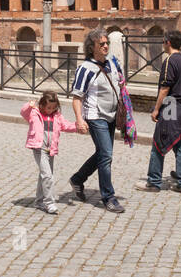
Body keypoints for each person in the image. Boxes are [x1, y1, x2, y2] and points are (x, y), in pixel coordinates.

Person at [69, 28, 126, 213]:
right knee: (106, 156)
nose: (105, 46)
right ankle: (108, 197)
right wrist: (79, 119)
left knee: (103, 154)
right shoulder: (85, 69)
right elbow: (77, 97)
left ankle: (77, 179)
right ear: (91, 47)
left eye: (107, 43)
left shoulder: (112, 62)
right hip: (95, 116)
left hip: (112, 115)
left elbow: (121, 85)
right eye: (101, 44)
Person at [143, 30, 181, 193]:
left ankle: (154, 181)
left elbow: (165, 88)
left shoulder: (169, 61)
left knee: (159, 143)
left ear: (167, 42)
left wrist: (157, 109)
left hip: (170, 105)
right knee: (179, 144)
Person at [21, 91, 79, 215]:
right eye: (48, 107)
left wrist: (78, 126)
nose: (51, 110)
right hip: (39, 148)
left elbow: (66, 125)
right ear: (42, 105)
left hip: (50, 150)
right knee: (47, 176)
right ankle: (49, 203)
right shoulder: (34, 113)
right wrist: (29, 105)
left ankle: (39, 201)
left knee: (44, 175)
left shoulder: (57, 116)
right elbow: (23, 112)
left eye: (53, 107)